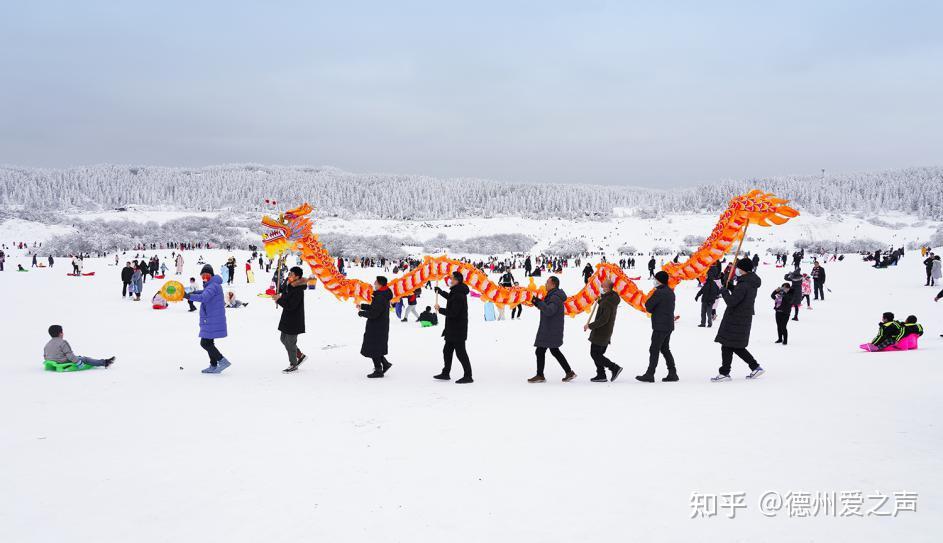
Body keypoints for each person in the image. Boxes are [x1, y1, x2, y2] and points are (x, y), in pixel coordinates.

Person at [712, 258, 765, 381]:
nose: (736, 270)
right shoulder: (750, 282)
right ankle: (755, 367)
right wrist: (731, 287)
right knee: (734, 346)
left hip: (736, 318)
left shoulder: (744, 284)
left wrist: (724, 291)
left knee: (728, 345)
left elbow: (732, 302)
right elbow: (741, 295)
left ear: (743, 269)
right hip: (742, 317)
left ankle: (725, 373)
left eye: (738, 268)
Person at [184, 264, 231, 373]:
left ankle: (222, 360)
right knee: (209, 342)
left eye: (207, 276)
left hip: (212, 319)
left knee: (205, 343)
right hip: (211, 318)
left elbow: (204, 297)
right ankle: (213, 365)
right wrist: (194, 292)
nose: (205, 278)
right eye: (203, 276)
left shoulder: (213, 285)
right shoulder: (212, 285)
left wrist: (189, 296)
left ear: (211, 276)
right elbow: (204, 292)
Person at [528, 276, 575, 383]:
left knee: (540, 351)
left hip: (550, 330)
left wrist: (538, 302)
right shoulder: (553, 295)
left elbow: (549, 311)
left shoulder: (555, 297)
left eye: (547, 283)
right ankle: (569, 372)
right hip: (551, 328)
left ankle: (540, 375)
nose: (545, 284)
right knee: (554, 350)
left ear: (553, 284)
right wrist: (539, 302)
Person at [637, 270, 677, 382]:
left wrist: (649, 301)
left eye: (656, 279)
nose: (654, 281)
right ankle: (673, 372)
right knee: (664, 349)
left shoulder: (659, 292)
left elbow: (648, 306)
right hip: (668, 325)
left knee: (654, 349)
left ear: (659, 281)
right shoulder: (669, 291)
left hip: (660, 326)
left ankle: (650, 374)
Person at [433, 271, 473, 383]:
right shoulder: (457, 291)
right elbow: (451, 298)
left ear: (457, 280)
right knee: (447, 350)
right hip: (452, 328)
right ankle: (446, 373)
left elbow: (453, 312)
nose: (450, 280)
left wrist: (439, 309)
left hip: (458, 329)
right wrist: (441, 292)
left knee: (461, 353)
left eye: (452, 279)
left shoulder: (459, 294)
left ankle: (468, 376)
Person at [583, 278, 622, 382]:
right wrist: (600, 300)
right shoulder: (609, 298)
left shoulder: (608, 301)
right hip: (604, 331)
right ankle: (601, 375)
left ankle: (614, 368)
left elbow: (604, 319)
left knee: (595, 354)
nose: (601, 286)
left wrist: (590, 326)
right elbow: (604, 306)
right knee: (597, 354)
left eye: (602, 285)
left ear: (607, 288)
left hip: (602, 331)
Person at [358, 276, 393, 378]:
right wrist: (363, 306)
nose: (374, 283)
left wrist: (362, 313)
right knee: (376, 347)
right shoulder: (383, 293)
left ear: (380, 284)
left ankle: (378, 370)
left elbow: (374, 313)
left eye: (376, 282)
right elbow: (375, 307)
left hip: (377, 326)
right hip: (380, 325)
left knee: (373, 347)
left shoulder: (381, 296)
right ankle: (385, 364)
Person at [275, 266, 308, 372]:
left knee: (290, 342)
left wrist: (279, 300)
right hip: (287, 317)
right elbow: (283, 292)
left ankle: (293, 364)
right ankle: (300, 355)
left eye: (291, 274)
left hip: (294, 319)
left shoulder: (298, 289)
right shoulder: (289, 285)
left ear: (297, 277)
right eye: (289, 273)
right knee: (283, 339)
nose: (289, 275)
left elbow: (291, 305)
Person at [43, 325, 115, 368]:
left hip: (52, 361)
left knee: (78, 357)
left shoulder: (48, 344)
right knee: (86, 359)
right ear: (60, 333)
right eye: (62, 332)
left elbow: (45, 356)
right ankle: (105, 362)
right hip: (62, 361)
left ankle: (80, 358)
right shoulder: (63, 342)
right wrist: (78, 362)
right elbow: (70, 355)